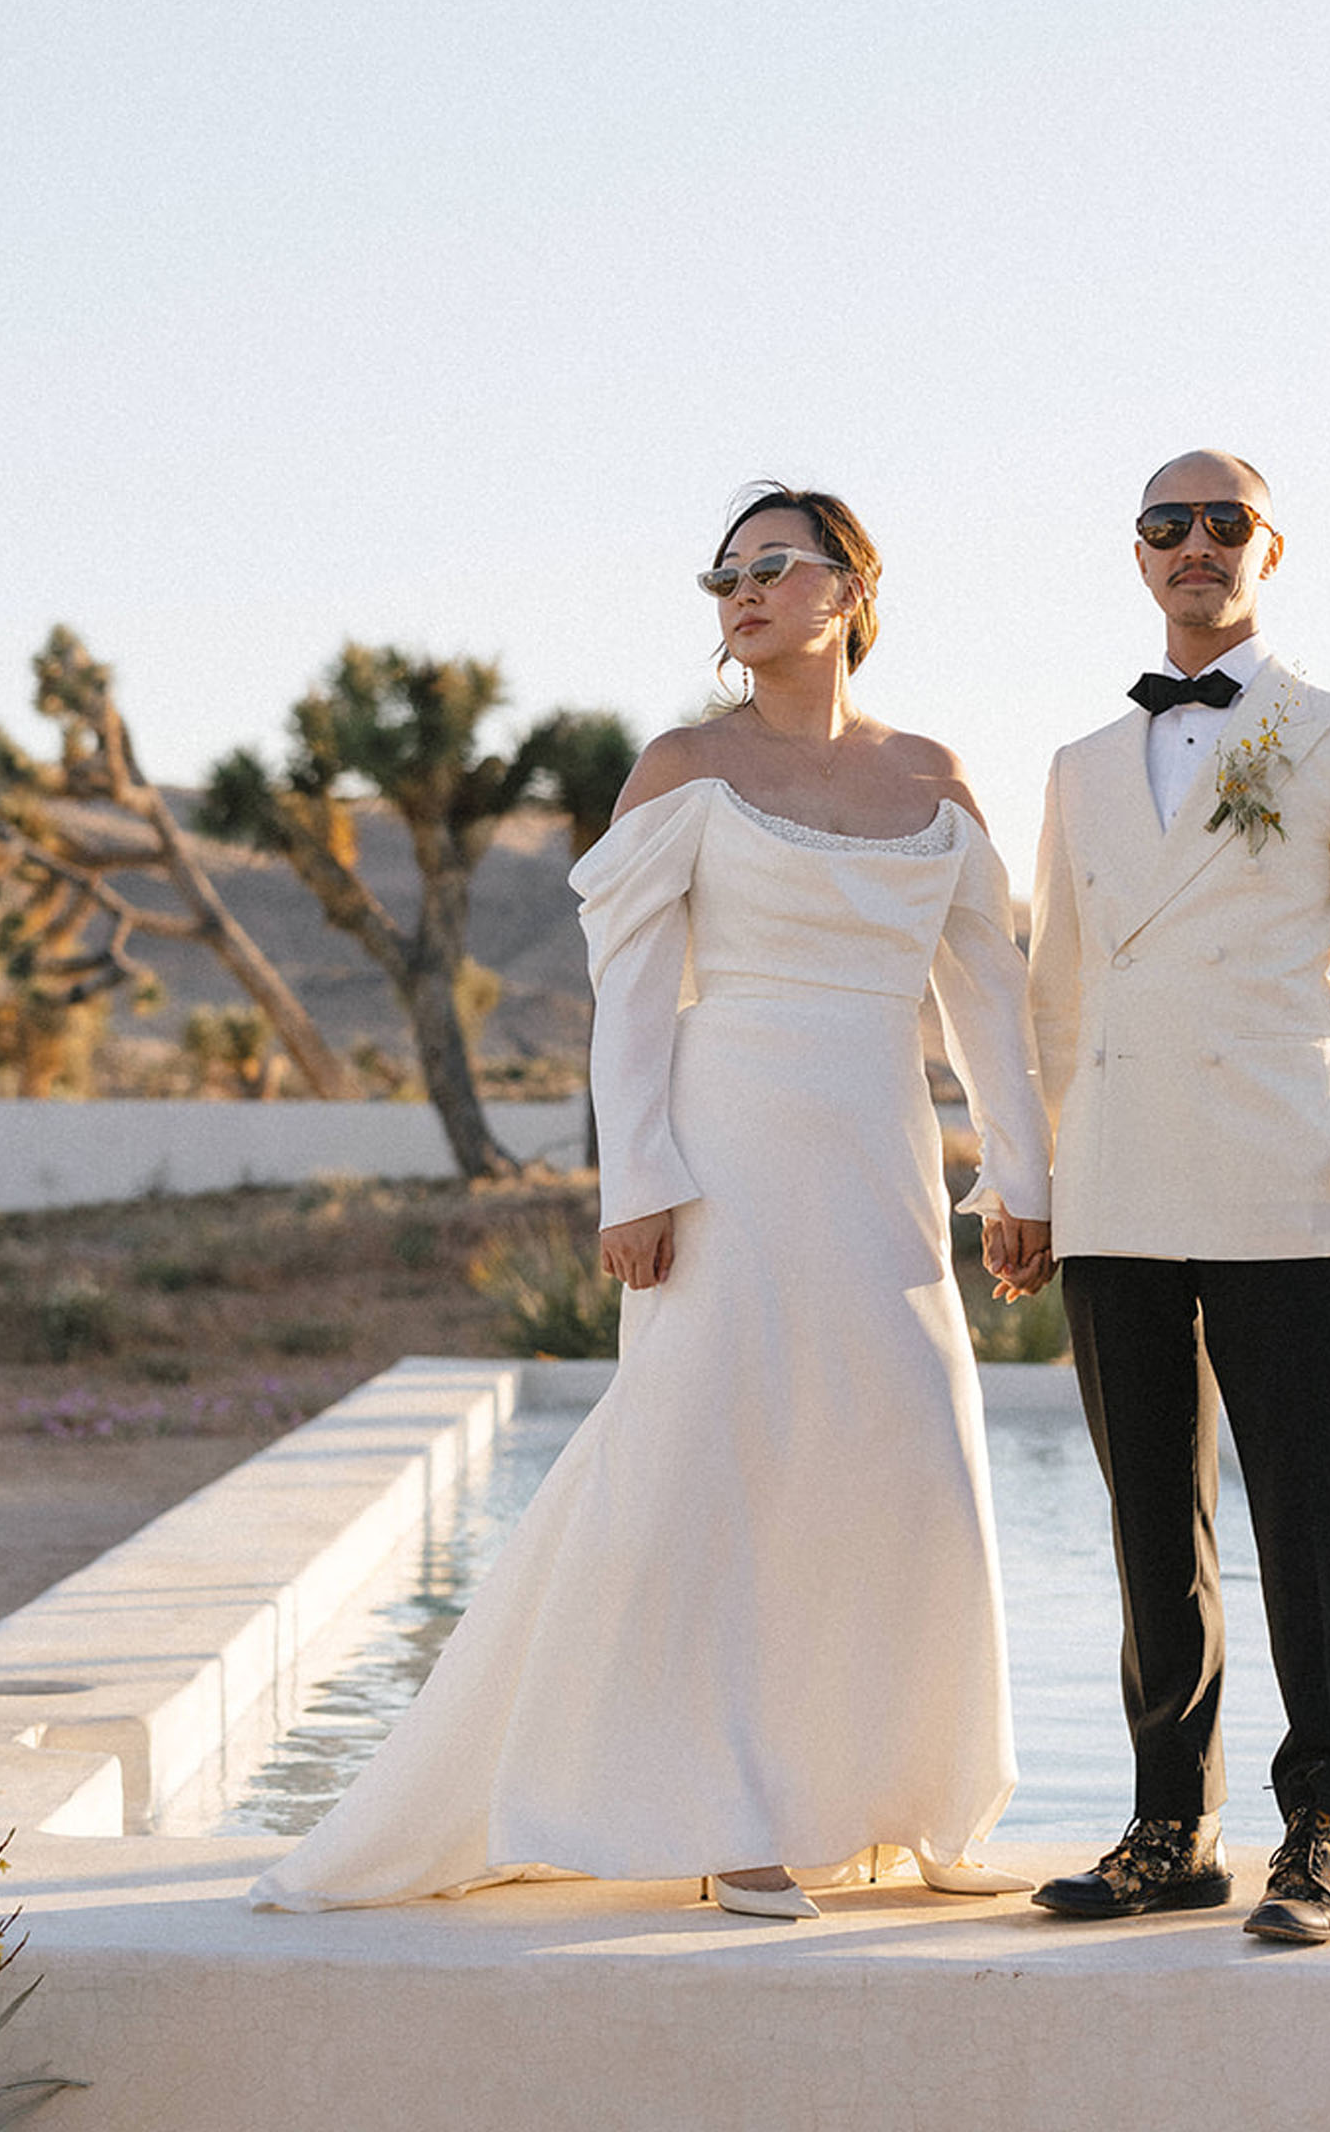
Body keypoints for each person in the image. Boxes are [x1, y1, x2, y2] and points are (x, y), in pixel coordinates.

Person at [251, 485, 1053, 1920]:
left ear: (851, 587)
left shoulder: (936, 776)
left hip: (881, 1158)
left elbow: (985, 994)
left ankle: (909, 1795)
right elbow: (631, 993)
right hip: (725, 1149)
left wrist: (1021, 1174)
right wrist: (638, 1180)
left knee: (907, 1449)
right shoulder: (684, 763)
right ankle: (728, 1812)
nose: (742, 592)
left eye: (774, 566)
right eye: (726, 574)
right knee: (712, 1462)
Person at [1023, 449, 1330, 1944]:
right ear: (1137, 555)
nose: (1193, 544)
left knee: (1308, 1509)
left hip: (1279, 1165)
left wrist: (1263, 1027)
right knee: (1151, 1511)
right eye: (1164, 524)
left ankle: (1323, 1827)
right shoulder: (1079, 765)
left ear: (1272, 545)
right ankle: (1167, 1821)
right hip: (1119, 1178)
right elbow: (1053, 990)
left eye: (1222, 522)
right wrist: (1036, 1174)